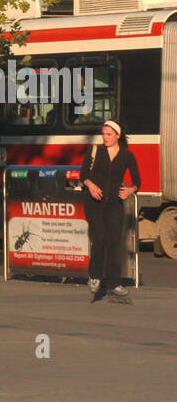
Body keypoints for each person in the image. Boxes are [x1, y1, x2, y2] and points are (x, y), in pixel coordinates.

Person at [80, 120, 141, 303]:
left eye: (108, 134)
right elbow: (83, 175)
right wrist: (90, 185)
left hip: (114, 204)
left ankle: (114, 283)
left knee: (114, 243)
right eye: (103, 134)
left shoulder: (127, 156)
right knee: (100, 238)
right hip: (94, 203)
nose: (105, 138)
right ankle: (95, 276)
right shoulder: (95, 151)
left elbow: (137, 180)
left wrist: (130, 189)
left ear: (117, 136)